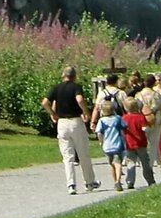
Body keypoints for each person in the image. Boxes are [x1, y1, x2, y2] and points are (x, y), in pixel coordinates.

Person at [42, 66, 99, 195]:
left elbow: (45, 102)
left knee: (67, 156)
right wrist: (86, 112)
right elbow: (79, 99)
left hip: (62, 123)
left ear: (63, 75)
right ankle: (89, 181)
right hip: (75, 122)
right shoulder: (76, 87)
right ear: (74, 76)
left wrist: (53, 113)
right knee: (83, 153)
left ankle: (71, 184)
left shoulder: (56, 88)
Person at [120, 96, 156, 188]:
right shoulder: (140, 117)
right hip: (141, 143)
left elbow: (122, 131)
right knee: (145, 163)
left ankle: (130, 181)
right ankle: (150, 180)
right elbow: (145, 129)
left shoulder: (124, 118)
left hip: (129, 143)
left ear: (125, 108)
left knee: (131, 163)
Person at [95, 95, 128, 190]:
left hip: (107, 146)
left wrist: (101, 142)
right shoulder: (117, 118)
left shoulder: (101, 121)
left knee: (112, 164)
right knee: (118, 163)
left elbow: (99, 133)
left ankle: (115, 181)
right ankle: (118, 180)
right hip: (117, 144)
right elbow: (125, 127)